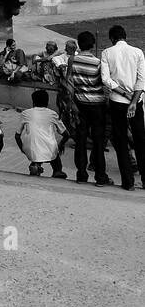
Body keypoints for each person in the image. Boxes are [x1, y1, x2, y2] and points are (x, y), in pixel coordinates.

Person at [100, 24, 145, 191]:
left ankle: (128, 182)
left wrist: (124, 94)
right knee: (140, 140)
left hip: (117, 101)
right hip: (136, 102)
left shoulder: (107, 53)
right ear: (125, 37)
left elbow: (106, 79)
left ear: (112, 38)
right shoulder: (137, 52)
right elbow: (142, 79)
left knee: (121, 141)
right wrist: (133, 101)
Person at [68, 30, 113, 186]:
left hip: (80, 104)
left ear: (79, 44)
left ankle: (81, 175)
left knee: (80, 140)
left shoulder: (72, 60)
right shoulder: (98, 63)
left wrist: (72, 103)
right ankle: (100, 177)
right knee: (98, 142)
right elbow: (104, 84)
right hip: (97, 105)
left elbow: (69, 82)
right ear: (92, 45)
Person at [15, 88, 67, 177]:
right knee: (53, 153)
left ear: (33, 102)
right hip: (49, 149)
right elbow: (66, 134)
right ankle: (57, 171)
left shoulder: (25, 113)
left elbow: (17, 136)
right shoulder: (52, 114)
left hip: (30, 148)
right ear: (47, 102)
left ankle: (35, 165)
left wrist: (23, 149)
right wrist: (61, 145)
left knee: (36, 150)